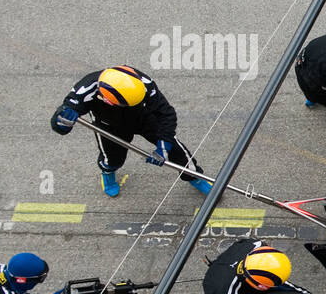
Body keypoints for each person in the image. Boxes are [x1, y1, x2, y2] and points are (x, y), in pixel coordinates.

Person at [51, 65, 213, 198]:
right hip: (109, 126)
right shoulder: (84, 90)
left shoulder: (144, 84)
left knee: (177, 151)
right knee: (113, 159)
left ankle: (195, 176)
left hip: (145, 118)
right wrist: (63, 121)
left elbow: (166, 114)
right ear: (107, 99)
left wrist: (163, 146)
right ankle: (108, 171)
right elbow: (60, 127)